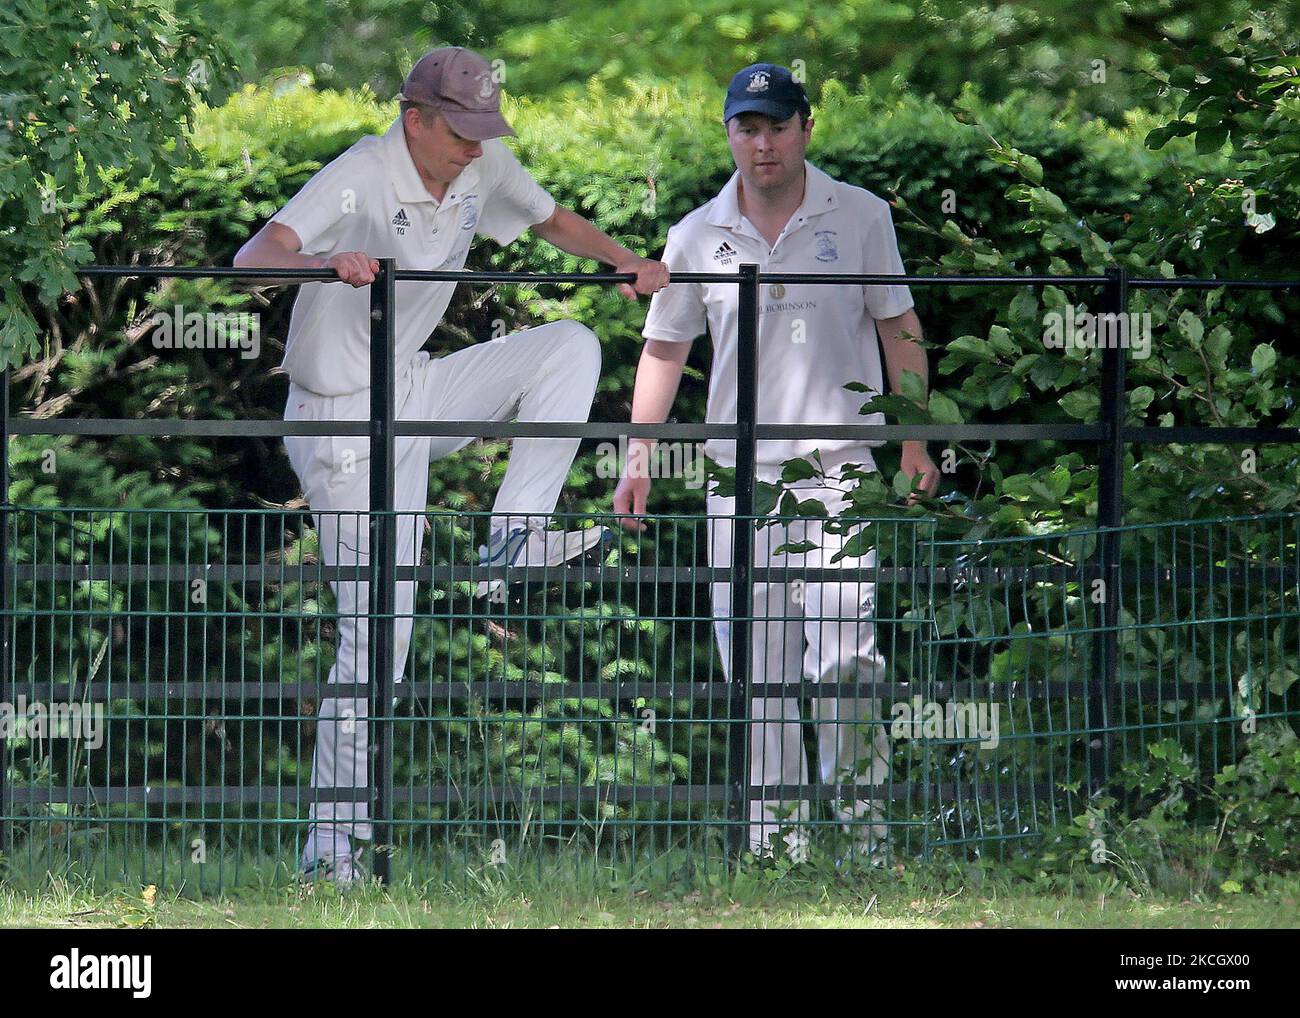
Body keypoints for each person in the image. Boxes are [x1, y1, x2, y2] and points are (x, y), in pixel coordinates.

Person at [234, 46, 669, 882]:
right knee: (377, 641)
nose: (476, 147)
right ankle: (329, 858)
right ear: (415, 121)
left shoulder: (481, 161)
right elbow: (257, 254)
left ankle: (512, 540)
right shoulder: (362, 171)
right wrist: (326, 260)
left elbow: (548, 219)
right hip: (338, 421)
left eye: (484, 130)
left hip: (412, 390)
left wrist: (623, 261)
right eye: (461, 131)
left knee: (569, 348)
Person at [612, 63, 939, 860]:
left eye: (778, 125)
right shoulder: (695, 233)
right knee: (754, 664)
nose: (763, 144)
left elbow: (900, 327)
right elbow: (664, 348)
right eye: (747, 127)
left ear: (806, 128)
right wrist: (638, 455)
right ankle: (775, 847)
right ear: (729, 133)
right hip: (738, 476)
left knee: (847, 658)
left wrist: (914, 439)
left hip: (840, 469)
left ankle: (867, 842)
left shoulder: (859, 215)